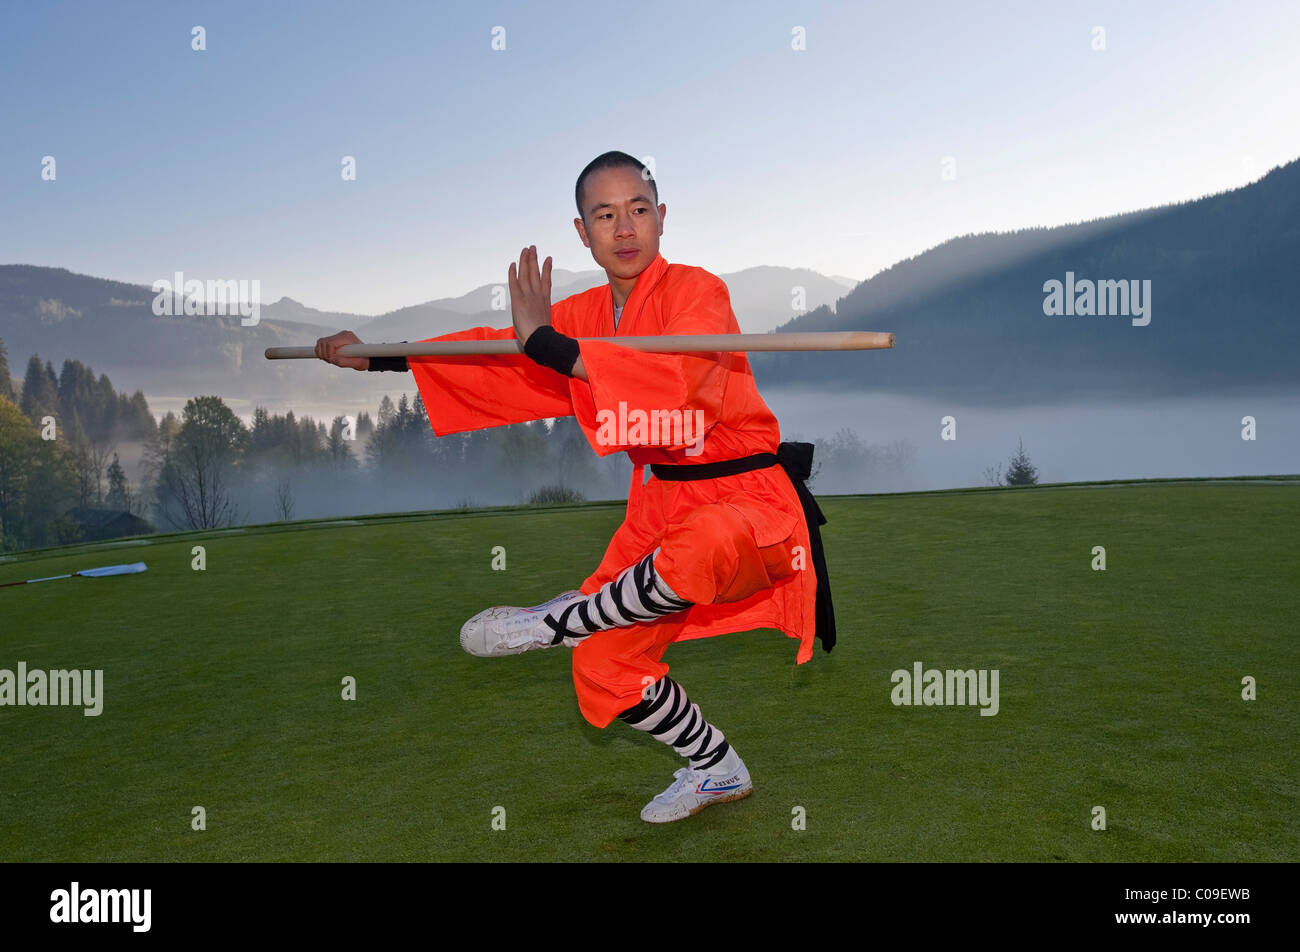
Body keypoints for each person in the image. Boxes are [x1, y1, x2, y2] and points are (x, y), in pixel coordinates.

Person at [316, 150, 835, 823]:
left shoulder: (697, 291)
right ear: (582, 232)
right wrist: (374, 358)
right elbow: (497, 359)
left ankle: (553, 621)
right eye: (605, 214)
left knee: (707, 541)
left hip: (744, 502)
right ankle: (717, 769)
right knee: (603, 663)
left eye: (639, 210)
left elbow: (677, 389)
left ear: (663, 218)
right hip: (659, 505)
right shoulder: (586, 315)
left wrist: (548, 345)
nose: (625, 227)